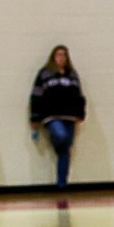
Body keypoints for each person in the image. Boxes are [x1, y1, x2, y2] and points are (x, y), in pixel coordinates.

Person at [30, 45, 86, 190]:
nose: (61, 58)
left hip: (70, 116)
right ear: (53, 57)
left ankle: (62, 183)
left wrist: (80, 114)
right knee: (60, 136)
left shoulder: (72, 75)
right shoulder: (44, 74)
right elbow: (36, 96)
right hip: (51, 116)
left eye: (64, 55)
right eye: (58, 55)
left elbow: (79, 96)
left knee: (66, 150)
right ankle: (55, 143)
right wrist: (34, 118)